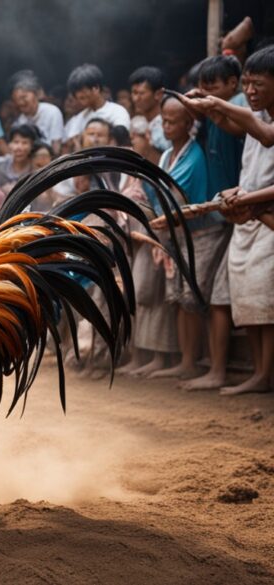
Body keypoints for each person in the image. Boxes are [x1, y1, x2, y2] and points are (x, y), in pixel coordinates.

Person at [182, 46, 274, 394]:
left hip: (263, 218)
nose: (250, 91)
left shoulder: (261, 125)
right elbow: (252, 174)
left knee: (266, 300)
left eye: (257, 84)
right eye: (247, 84)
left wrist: (215, 103)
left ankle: (265, 374)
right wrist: (236, 194)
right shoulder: (257, 120)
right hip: (250, 217)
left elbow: (266, 138)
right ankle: (259, 374)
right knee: (250, 301)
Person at [176, 56, 247, 391]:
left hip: (242, 213)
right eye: (202, 87)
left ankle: (218, 369)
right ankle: (209, 365)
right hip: (225, 214)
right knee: (211, 296)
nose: (204, 94)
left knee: (219, 296)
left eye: (213, 87)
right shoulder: (210, 120)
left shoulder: (240, 110)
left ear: (234, 84)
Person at [149, 96, 223, 382]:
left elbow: (170, 198)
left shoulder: (194, 156)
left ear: (188, 124)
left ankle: (195, 361)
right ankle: (185, 360)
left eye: (172, 121)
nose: (166, 127)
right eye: (164, 120)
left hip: (200, 233)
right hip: (176, 235)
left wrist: (158, 223)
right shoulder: (168, 155)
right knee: (178, 299)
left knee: (193, 298)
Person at [63, 64, 130, 150]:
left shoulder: (117, 112)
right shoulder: (77, 119)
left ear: (96, 88)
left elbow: (122, 141)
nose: (79, 98)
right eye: (78, 96)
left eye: (83, 95)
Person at [10, 70, 64, 153]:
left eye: (24, 97)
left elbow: (56, 146)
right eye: (17, 99)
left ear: (36, 94)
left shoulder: (52, 112)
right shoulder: (19, 122)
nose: (21, 102)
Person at [128, 66, 171, 158]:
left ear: (158, 94)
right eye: (134, 93)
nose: (136, 99)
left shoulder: (167, 124)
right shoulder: (136, 122)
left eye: (141, 93)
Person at [0, 124, 38, 191]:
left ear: (32, 146)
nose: (19, 148)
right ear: (9, 145)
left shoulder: (36, 169)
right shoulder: (0, 168)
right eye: (16, 142)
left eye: (25, 143)